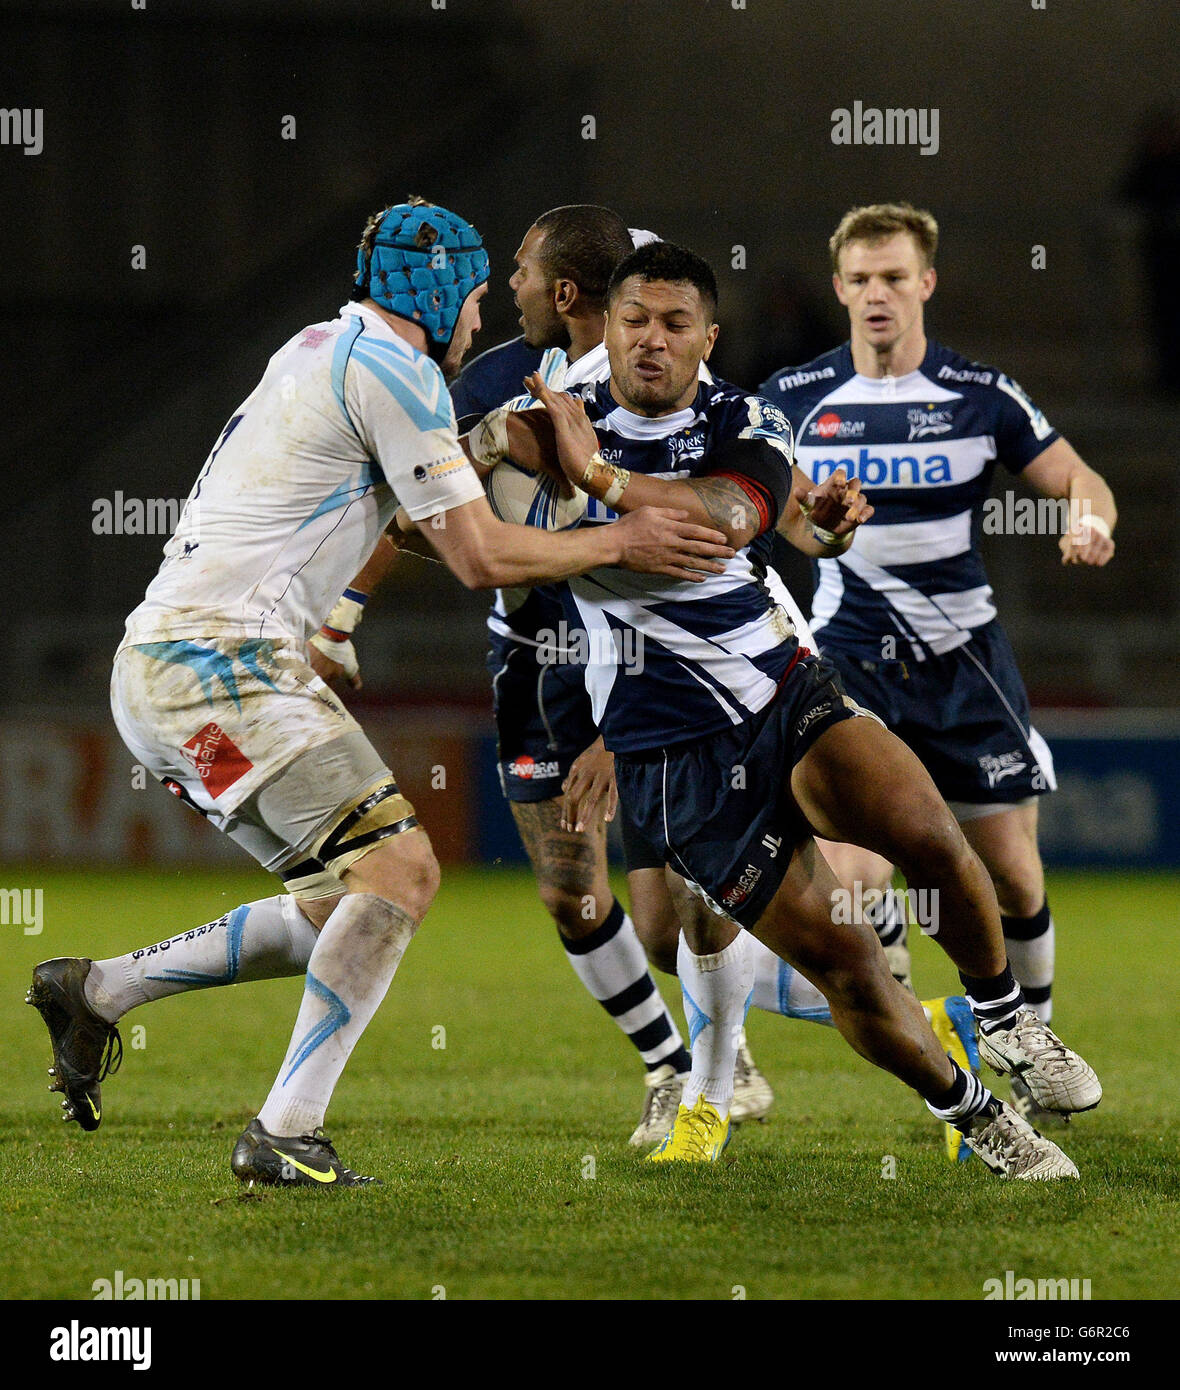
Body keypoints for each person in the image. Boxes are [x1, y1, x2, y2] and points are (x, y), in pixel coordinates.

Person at [25, 199, 733, 1188]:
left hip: (161, 682)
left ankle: (98, 990)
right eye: (477, 297)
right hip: (223, 668)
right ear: (439, 292)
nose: (482, 321)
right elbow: (479, 556)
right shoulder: (397, 371)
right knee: (401, 871)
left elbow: (388, 511)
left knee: (338, 900)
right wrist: (621, 536)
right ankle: (285, 1131)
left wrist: (335, 618)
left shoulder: (318, 346)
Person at [518, 238, 1100, 1178]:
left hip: (785, 692)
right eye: (635, 322)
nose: (653, 342)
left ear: (709, 337)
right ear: (609, 332)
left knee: (931, 835)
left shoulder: (745, 418)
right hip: (672, 751)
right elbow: (459, 526)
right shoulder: (548, 425)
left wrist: (605, 485)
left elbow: (733, 517)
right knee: (845, 965)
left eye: (676, 325)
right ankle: (983, 1118)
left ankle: (1008, 1024)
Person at [757, 203, 1117, 1127]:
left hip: (965, 662)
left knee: (1013, 877)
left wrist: (1088, 516)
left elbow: (1079, 476)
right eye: (862, 279)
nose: (878, 293)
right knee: (854, 876)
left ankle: (1030, 1047)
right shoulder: (792, 399)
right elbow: (755, 510)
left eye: (895, 276)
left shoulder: (980, 393)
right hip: (845, 663)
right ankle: (914, 1008)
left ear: (927, 283)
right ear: (839, 289)